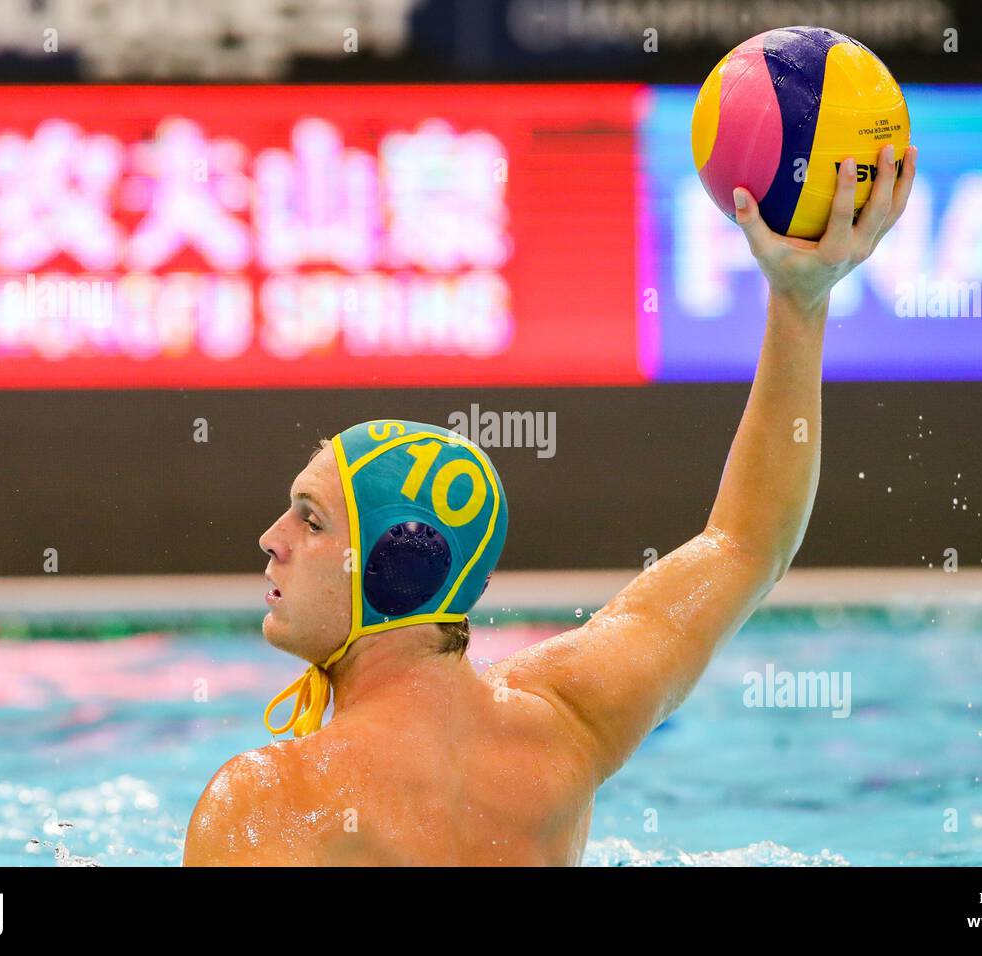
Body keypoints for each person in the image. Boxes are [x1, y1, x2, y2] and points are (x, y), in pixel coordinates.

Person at [183, 144, 917, 866]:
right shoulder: (566, 720)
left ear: (393, 569)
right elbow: (748, 545)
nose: (269, 538)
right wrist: (801, 300)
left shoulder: (265, 803)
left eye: (311, 519)